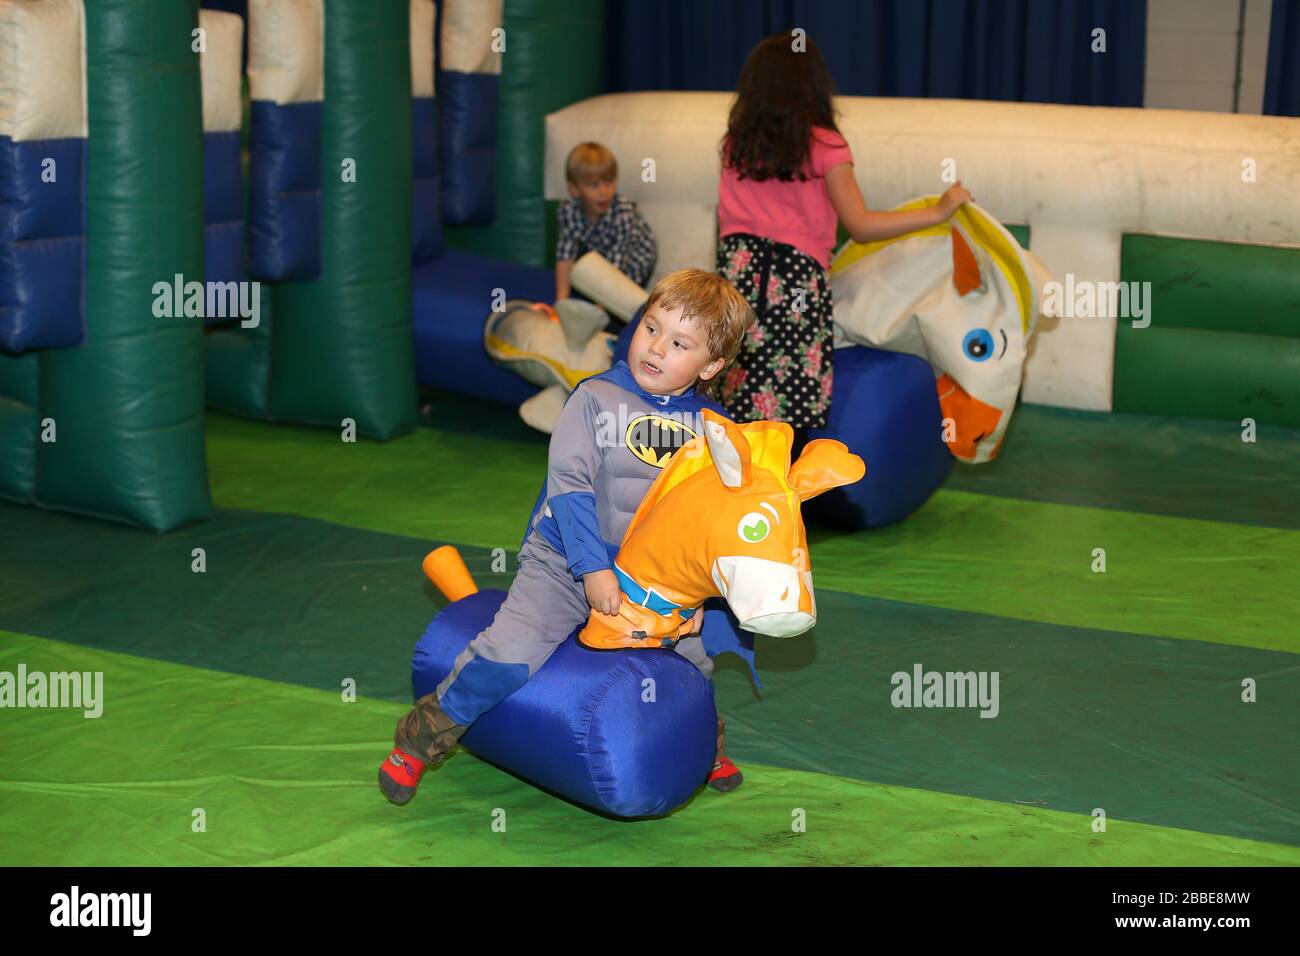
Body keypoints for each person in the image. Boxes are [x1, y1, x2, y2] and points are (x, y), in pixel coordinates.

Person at [380, 269, 756, 804]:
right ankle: (419, 740)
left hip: (653, 582)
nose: (655, 348)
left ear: (712, 365)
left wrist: (701, 596)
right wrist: (592, 569)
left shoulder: (715, 429)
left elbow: (711, 522)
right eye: (651, 328)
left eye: (679, 344)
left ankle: (703, 747)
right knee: (509, 653)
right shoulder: (595, 397)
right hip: (563, 561)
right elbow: (571, 486)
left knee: (693, 664)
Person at [717, 32, 973, 441]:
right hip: (794, 283)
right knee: (789, 405)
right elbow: (861, 224)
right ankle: (787, 495)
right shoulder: (825, 146)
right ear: (813, 85)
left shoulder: (737, 146)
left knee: (736, 392)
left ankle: (737, 494)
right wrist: (938, 211)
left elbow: (727, 223)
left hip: (738, 279)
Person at [555, 142, 657, 304]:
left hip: (634, 258)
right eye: (593, 185)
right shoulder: (568, 211)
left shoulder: (622, 214)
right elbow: (565, 255)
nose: (603, 192)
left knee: (623, 303)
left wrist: (601, 308)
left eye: (609, 182)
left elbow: (615, 268)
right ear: (574, 189)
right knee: (581, 277)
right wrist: (561, 301)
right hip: (600, 251)